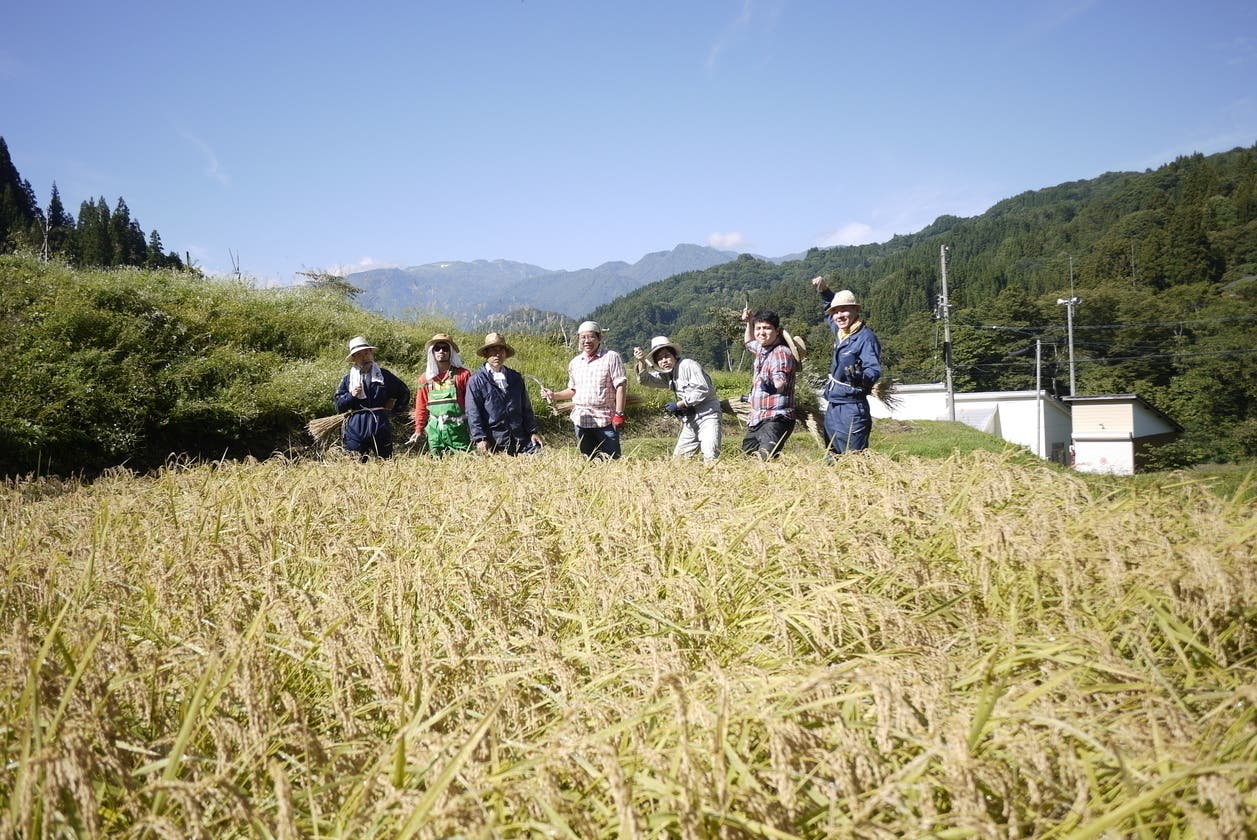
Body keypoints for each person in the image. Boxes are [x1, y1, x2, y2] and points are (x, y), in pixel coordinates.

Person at [813, 276, 882, 454]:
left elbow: (873, 369)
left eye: (844, 310)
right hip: (834, 404)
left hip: (852, 406)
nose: (839, 315)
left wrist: (862, 378)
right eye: (835, 312)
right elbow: (828, 306)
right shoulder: (840, 331)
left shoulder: (865, 338)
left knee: (853, 457)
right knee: (832, 455)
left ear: (855, 310)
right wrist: (824, 289)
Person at [541, 320, 627, 459]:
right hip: (582, 421)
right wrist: (553, 395)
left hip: (605, 420)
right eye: (583, 337)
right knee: (588, 461)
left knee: (612, 461)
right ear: (579, 339)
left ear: (599, 338)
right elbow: (573, 390)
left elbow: (621, 386)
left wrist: (619, 413)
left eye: (591, 336)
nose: (587, 341)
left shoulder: (611, 357)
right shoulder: (575, 363)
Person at [632, 335, 722, 462]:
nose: (664, 361)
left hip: (708, 416)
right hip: (690, 420)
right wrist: (641, 361)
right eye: (659, 359)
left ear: (674, 355)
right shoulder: (668, 374)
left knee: (710, 454)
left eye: (666, 356)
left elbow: (702, 389)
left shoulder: (688, 365)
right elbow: (645, 380)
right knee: (678, 461)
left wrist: (680, 404)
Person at [466, 332, 544, 455]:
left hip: (520, 439)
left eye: (501, 350)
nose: (497, 354)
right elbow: (472, 412)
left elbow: (526, 408)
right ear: (486, 353)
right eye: (493, 350)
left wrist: (532, 432)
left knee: (541, 456)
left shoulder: (515, 378)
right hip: (494, 441)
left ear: (505, 353)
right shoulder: (476, 380)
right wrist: (480, 438)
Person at [334, 336, 411, 459]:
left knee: (386, 463)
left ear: (371, 353)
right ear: (354, 358)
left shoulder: (384, 376)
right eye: (359, 355)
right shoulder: (347, 380)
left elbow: (404, 392)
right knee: (355, 464)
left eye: (366, 353)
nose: (364, 357)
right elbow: (339, 406)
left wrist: (393, 412)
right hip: (356, 427)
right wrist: (351, 395)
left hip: (380, 425)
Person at [740, 307, 797, 459]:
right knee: (746, 461)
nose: (761, 332)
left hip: (775, 418)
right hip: (757, 418)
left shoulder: (780, 353)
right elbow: (749, 343)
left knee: (765, 459)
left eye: (767, 328)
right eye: (758, 328)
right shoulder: (762, 348)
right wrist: (749, 323)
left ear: (777, 331)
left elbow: (780, 381)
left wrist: (771, 385)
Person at [412, 333, 472, 455]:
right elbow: (421, 407)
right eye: (437, 348)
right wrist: (418, 429)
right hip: (435, 432)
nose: (441, 351)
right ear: (432, 352)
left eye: (445, 348)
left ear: (451, 352)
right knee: (437, 464)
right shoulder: (425, 379)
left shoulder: (463, 375)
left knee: (464, 462)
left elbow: (472, 406)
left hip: (459, 431)